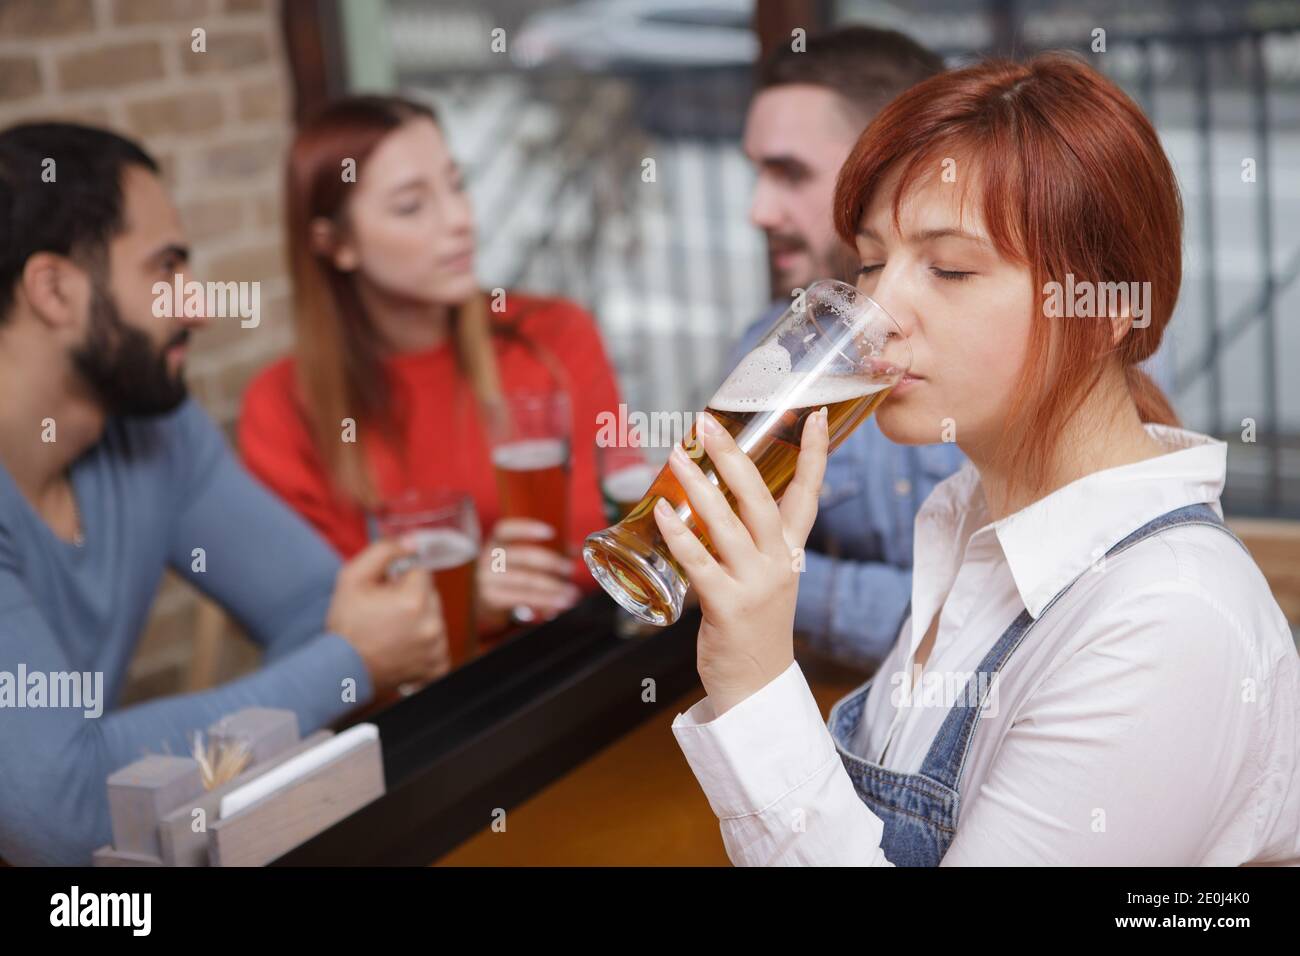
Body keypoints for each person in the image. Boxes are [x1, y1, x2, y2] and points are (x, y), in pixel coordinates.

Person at [658, 54, 1300, 865]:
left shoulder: (1169, 623)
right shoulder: (971, 517)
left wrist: (754, 680)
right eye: (869, 261)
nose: (877, 311)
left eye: (950, 268)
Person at [0, 123, 450, 866]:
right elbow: (61, 809)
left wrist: (341, 654)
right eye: (165, 268)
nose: (199, 305)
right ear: (53, 289)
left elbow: (318, 609)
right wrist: (347, 665)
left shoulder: (155, 432)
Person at [238, 95, 624, 636]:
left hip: (578, 667)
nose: (461, 220)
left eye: (456, 185)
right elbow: (318, 623)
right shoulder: (282, 405)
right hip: (420, 709)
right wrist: (468, 602)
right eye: (411, 206)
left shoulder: (555, 336)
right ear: (335, 244)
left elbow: (612, 533)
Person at [731, 27, 963, 668]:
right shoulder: (770, 351)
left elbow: (1008, 629)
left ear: (888, 169)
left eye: (789, 173)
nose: (757, 210)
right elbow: (729, 555)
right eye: (757, 172)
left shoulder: (1019, 339)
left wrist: (788, 593)